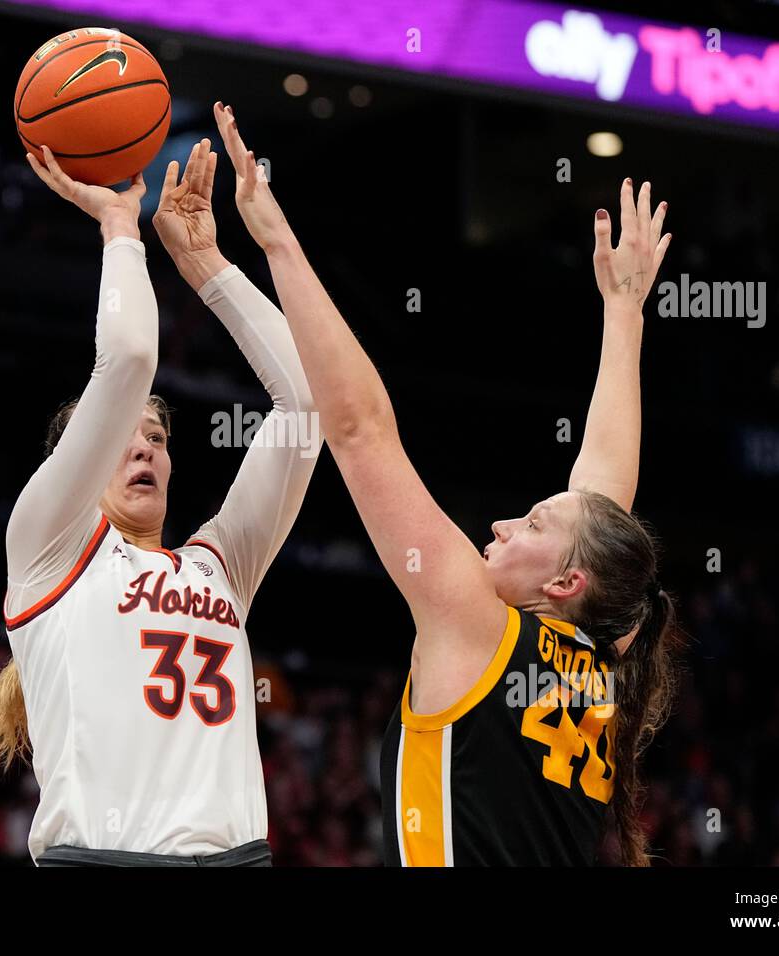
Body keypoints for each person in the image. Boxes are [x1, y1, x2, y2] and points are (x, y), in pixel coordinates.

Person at [212, 100, 681, 865]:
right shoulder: (605, 663)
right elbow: (603, 500)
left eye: (530, 524)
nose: (500, 526)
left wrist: (276, 239)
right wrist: (623, 314)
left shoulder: (478, 624)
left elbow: (360, 429)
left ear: (565, 581)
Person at [0, 139, 322, 867]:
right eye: (123, 435)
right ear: (79, 462)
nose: (145, 446)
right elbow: (129, 358)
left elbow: (307, 401)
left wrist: (208, 264)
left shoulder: (220, 566)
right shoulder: (48, 548)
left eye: (157, 435)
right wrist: (120, 228)